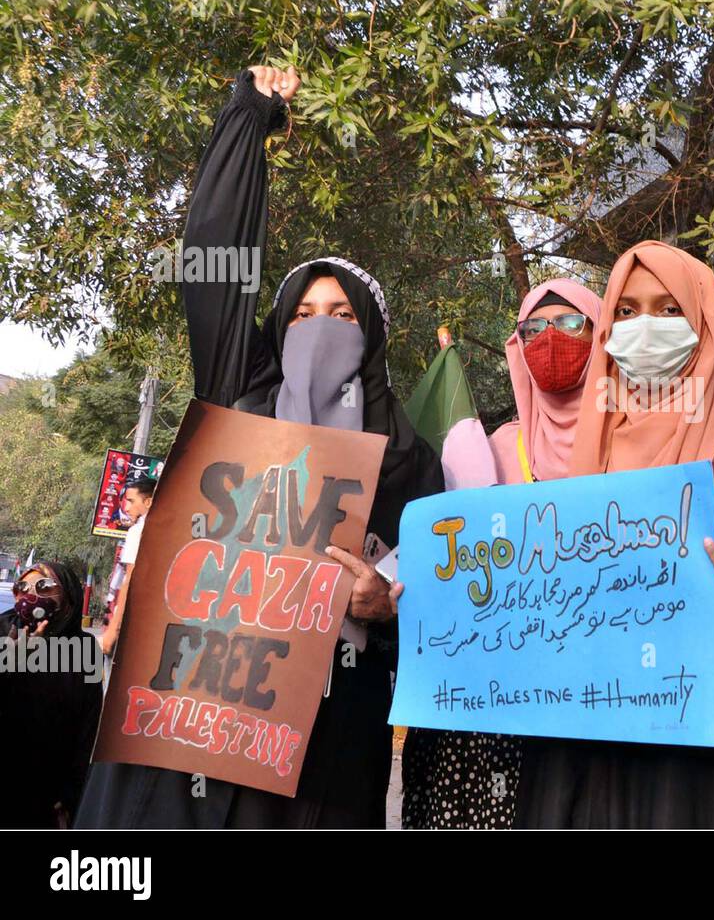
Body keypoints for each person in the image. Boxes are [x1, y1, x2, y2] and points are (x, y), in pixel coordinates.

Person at [75, 65, 445, 829]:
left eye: (342, 315)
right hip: (188, 721)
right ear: (276, 330)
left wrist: (385, 606)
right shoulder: (237, 392)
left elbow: (436, 597)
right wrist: (248, 118)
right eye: (302, 312)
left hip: (325, 749)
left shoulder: (410, 459)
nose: (319, 328)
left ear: (372, 339)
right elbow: (211, 259)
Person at [513, 241, 714, 829]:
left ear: (705, 325)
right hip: (572, 771)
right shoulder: (577, 463)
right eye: (625, 311)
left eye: (669, 309)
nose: (644, 327)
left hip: (693, 779)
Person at [402, 278, 602, 829]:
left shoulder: (635, 448)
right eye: (533, 329)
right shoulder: (495, 450)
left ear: (601, 332)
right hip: (495, 718)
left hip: (600, 707)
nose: (550, 339)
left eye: (568, 323)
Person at [0, 561, 103, 828]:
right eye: (21, 587)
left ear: (68, 597)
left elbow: (88, 729)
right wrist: (12, 664)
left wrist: (71, 794)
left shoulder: (83, 649)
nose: (31, 595)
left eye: (44, 586)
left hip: (47, 793)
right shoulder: (3, 631)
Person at [99, 476, 154, 656]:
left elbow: (130, 579)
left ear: (148, 501)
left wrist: (113, 630)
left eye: (131, 501)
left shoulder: (138, 531)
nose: (127, 508)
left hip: (126, 626)